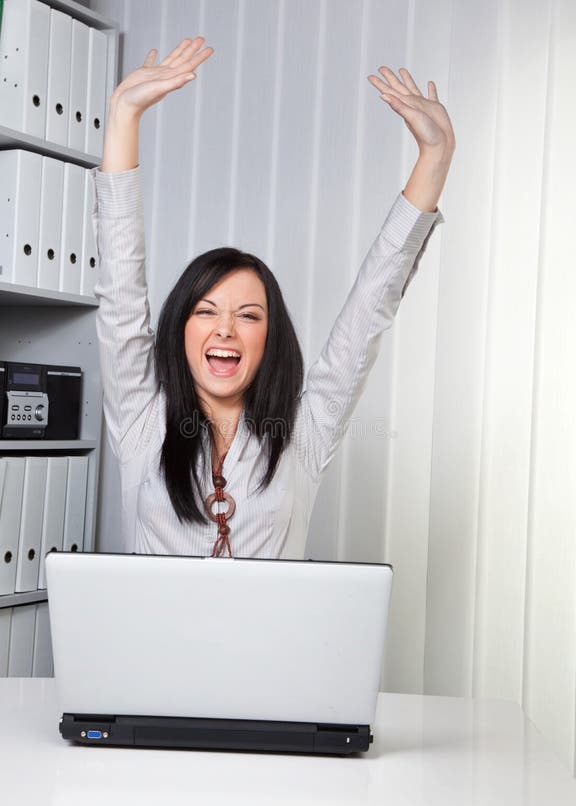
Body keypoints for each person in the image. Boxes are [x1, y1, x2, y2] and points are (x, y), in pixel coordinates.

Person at [91, 37, 455, 558]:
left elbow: (370, 305)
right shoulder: (141, 420)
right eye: (206, 311)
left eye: (248, 315)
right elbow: (120, 289)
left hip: (277, 644)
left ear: (270, 338)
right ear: (180, 329)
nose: (225, 329)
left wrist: (436, 156)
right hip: (151, 643)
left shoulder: (303, 435)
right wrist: (124, 116)